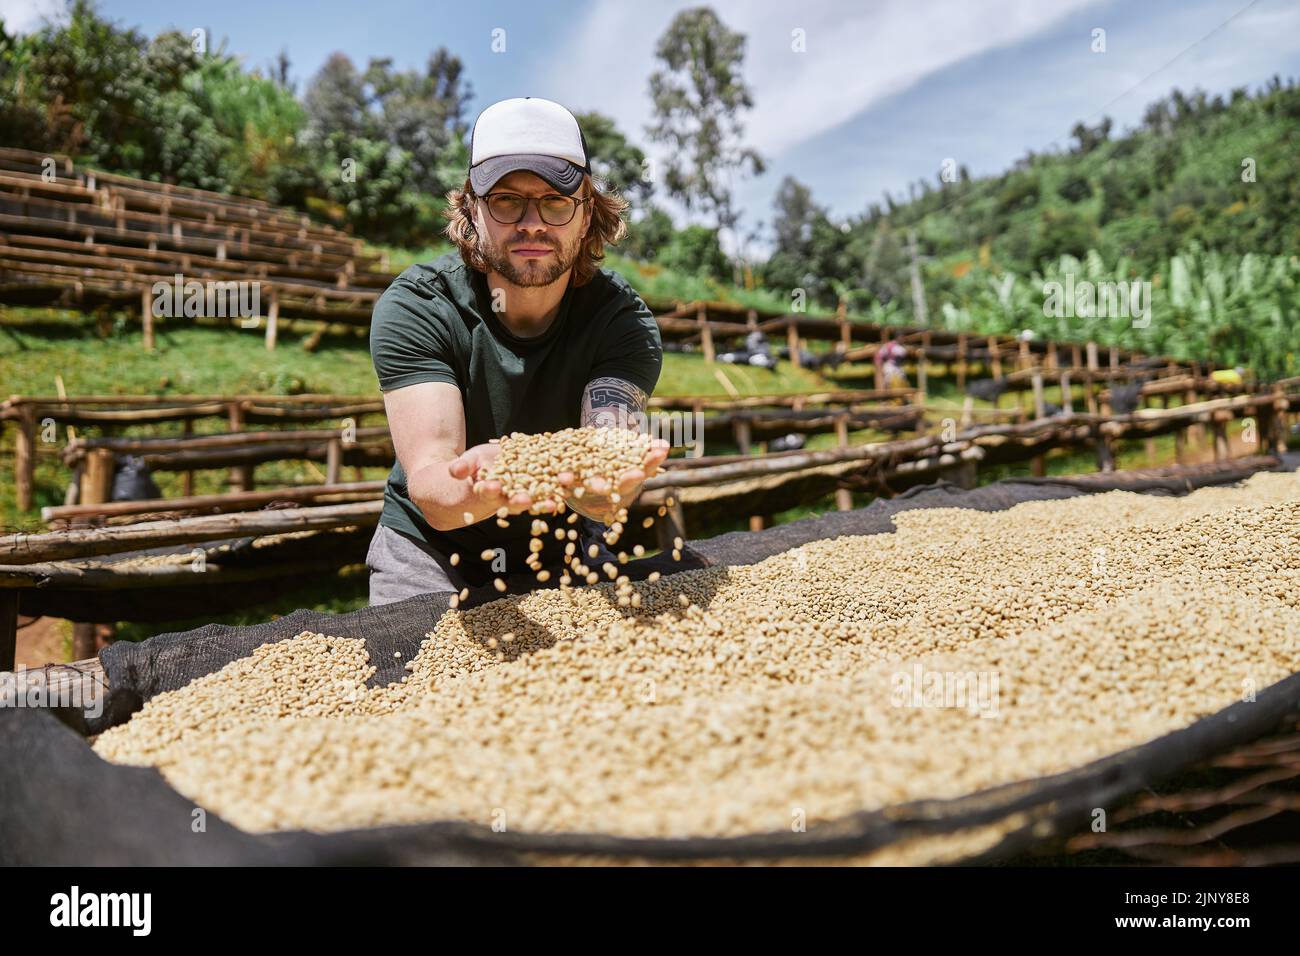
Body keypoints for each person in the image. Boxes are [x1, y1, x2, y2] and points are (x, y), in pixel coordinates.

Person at [366, 97, 669, 605]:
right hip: (431, 551)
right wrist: (486, 486)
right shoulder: (417, 307)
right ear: (472, 210)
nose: (533, 222)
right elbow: (434, 486)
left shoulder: (622, 322)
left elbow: (606, 450)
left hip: (569, 543)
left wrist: (604, 485)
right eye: (507, 200)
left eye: (556, 201)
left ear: (587, 211)